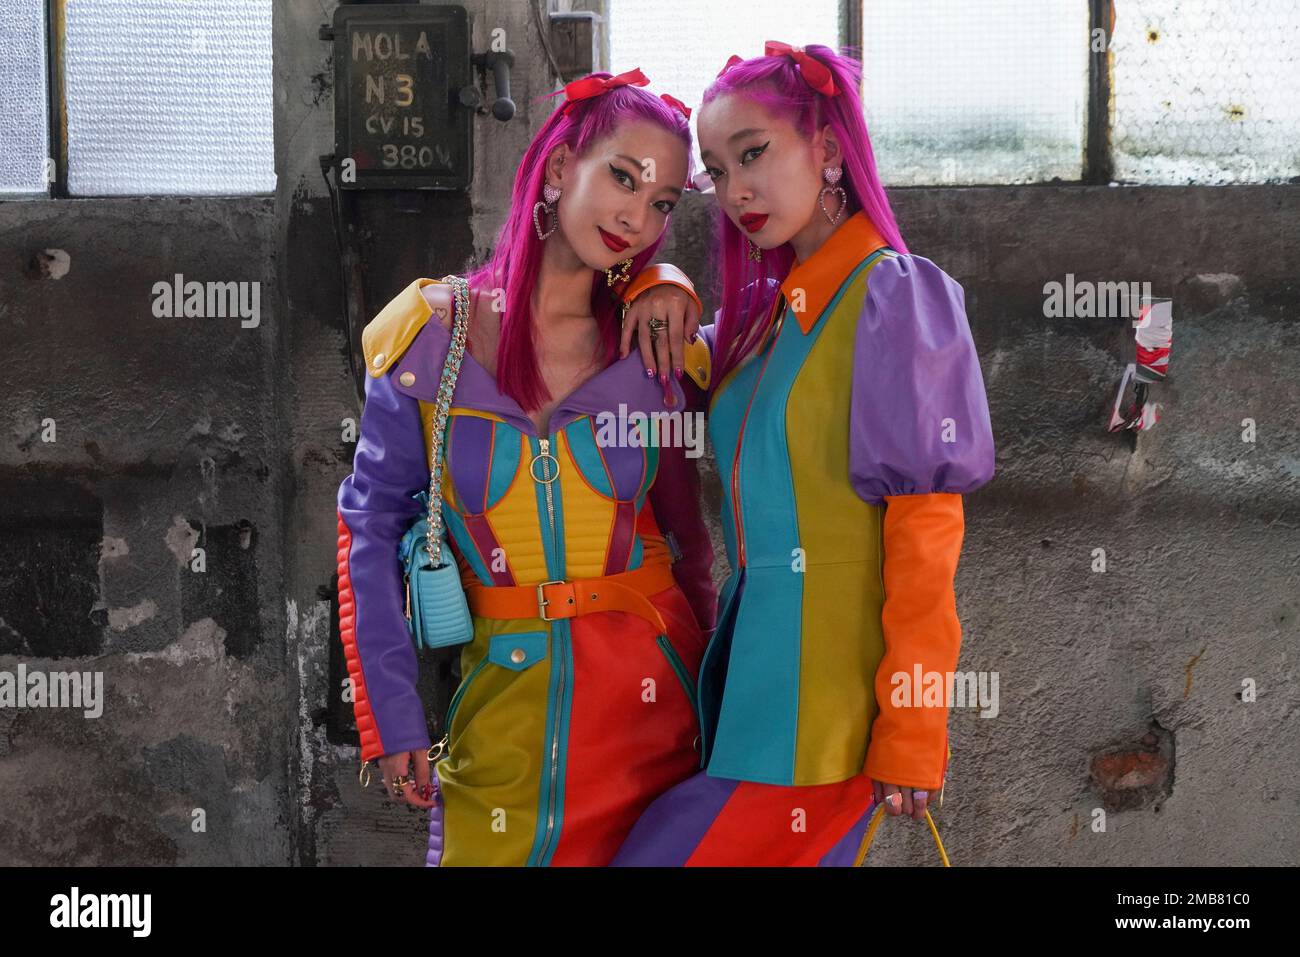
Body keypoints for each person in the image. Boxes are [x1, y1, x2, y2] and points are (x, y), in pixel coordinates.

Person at [612, 43, 996, 865]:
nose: (735, 190)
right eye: (716, 171)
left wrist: (914, 729)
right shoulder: (766, 325)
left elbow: (928, 540)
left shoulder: (896, 299)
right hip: (749, 702)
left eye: (754, 153)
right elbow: (658, 343)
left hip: (828, 724)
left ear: (825, 149)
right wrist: (665, 278)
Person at [335, 69, 718, 865]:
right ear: (555, 169)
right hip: (501, 724)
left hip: (655, 719)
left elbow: (692, 547)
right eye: (623, 176)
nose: (636, 217)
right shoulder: (424, 341)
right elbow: (369, 525)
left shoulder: (656, 353)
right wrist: (392, 715)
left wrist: (673, 279)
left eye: (662, 204)